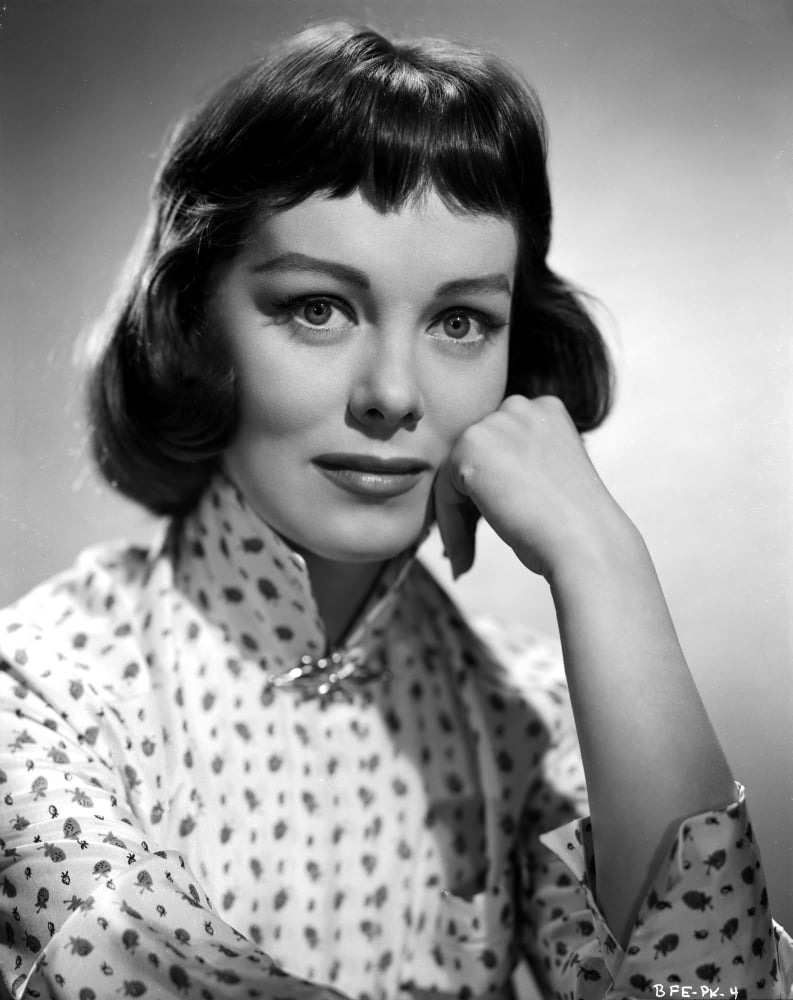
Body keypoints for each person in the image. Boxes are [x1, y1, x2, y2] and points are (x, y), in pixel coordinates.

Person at [0, 21, 790, 1000]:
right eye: (317, 307)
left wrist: (605, 563)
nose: (391, 393)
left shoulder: (526, 715)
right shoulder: (37, 695)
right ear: (194, 323)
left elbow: (719, 993)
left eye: (460, 322)